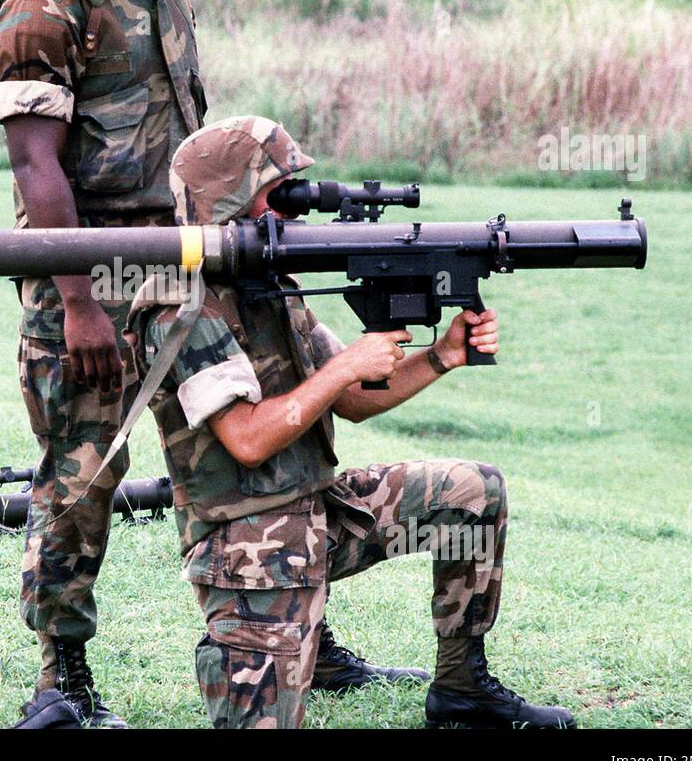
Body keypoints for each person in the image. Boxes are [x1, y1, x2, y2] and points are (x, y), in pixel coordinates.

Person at [126, 116, 577, 729]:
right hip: (249, 547)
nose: (296, 209)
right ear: (227, 199)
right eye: (278, 194)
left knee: (475, 492)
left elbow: (353, 398)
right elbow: (249, 438)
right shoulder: (178, 304)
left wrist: (443, 356)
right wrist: (343, 371)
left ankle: (462, 692)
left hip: (321, 511)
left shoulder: (269, 279)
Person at [0, 0, 209, 728]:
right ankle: (61, 681)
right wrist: (79, 303)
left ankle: (276, 626)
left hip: (183, 267)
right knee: (81, 476)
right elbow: (37, 165)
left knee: (229, 453)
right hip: (87, 281)